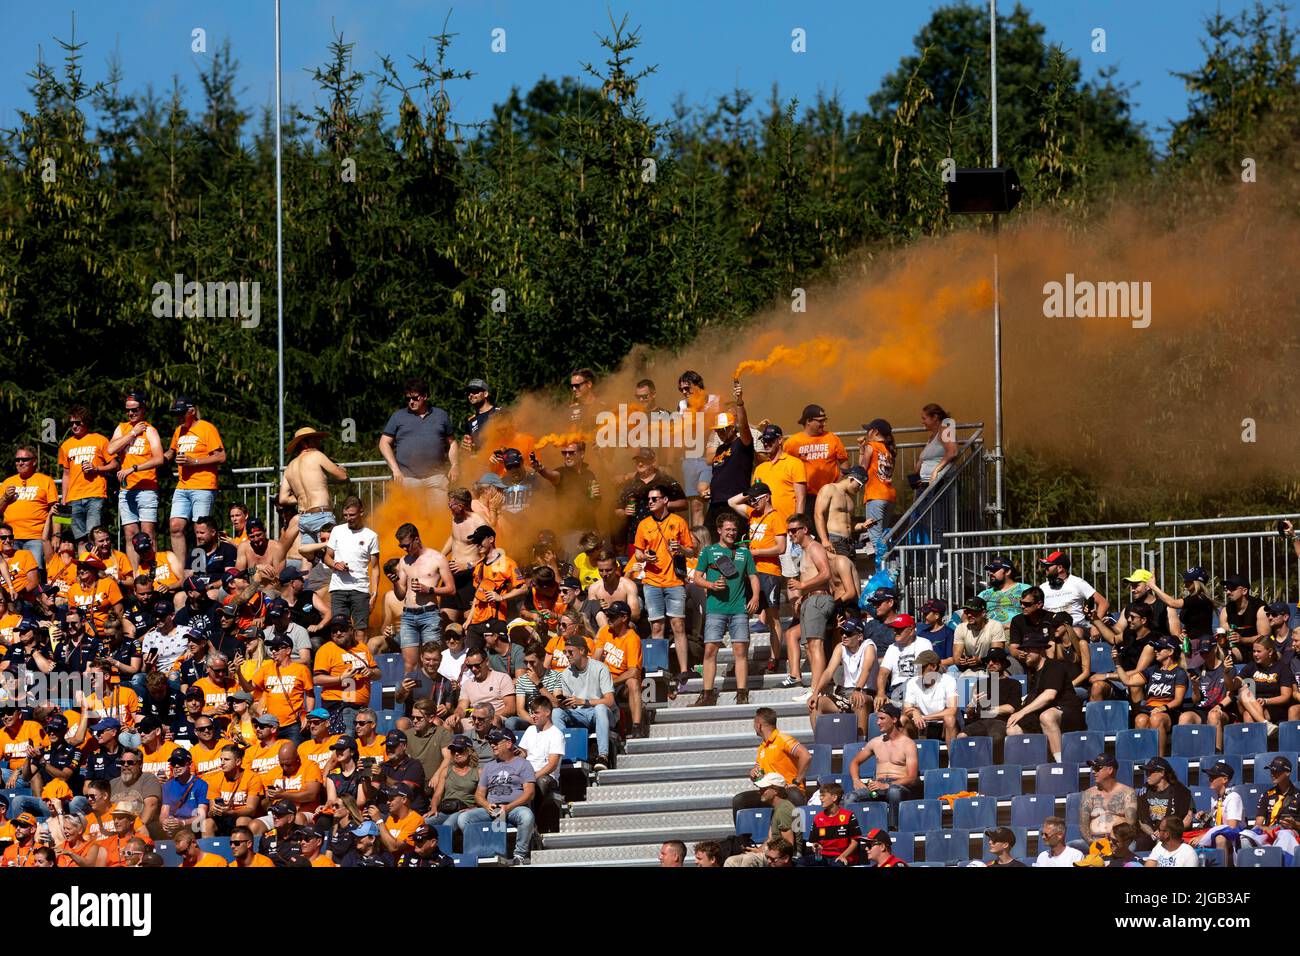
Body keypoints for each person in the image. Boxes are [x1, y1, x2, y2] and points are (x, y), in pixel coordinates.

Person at [633, 483, 696, 693]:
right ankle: (657, 671)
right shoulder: (643, 525)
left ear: (665, 501)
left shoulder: (678, 522)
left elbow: (690, 551)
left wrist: (681, 549)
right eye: (648, 500)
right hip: (652, 581)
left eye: (654, 499)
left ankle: (684, 671)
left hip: (675, 581)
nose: (650, 503)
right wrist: (645, 556)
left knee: (678, 625)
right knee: (656, 627)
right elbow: (639, 553)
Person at [691, 513, 758, 708]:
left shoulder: (744, 553)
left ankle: (742, 693)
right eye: (727, 529)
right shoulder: (708, 552)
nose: (731, 533)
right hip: (715, 608)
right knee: (710, 649)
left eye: (734, 530)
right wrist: (711, 585)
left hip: (739, 608)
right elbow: (697, 577)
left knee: (740, 650)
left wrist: (754, 597)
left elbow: (753, 576)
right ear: (719, 530)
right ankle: (707, 694)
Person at [726, 482, 791, 685]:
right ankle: (741, 657)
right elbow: (731, 501)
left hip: (769, 572)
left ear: (766, 497)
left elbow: (781, 548)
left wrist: (756, 552)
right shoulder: (753, 513)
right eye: (751, 499)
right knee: (742, 612)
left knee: (772, 616)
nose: (752, 502)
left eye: (755, 498)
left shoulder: (777, 517)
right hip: (751, 571)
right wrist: (748, 493)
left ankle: (774, 658)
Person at [459, 728, 536, 866]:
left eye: (495, 741)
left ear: (508, 744)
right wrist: (486, 805)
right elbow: (479, 794)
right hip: (493, 808)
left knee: (527, 816)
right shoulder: (489, 766)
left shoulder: (524, 764)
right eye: (490, 742)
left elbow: (529, 793)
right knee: (464, 818)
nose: (492, 745)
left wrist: (508, 807)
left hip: (514, 808)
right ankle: (484, 850)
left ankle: (520, 855)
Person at [163, 397, 226, 564]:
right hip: (183, 485)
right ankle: (180, 570)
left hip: (203, 486)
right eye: (176, 414)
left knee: (201, 530)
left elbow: (221, 456)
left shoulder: (206, 428)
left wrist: (194, 461)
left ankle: (201, 569)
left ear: (191, 411)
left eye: (181, 413)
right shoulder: (179, 431)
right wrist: (160, 459)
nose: (178, 417)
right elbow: (171, 451)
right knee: (175, 526)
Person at [106, 392, 166, 566]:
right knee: (130, 534)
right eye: (128, 411)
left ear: (143, 409)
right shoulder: (122, 428)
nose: (131, 414)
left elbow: (159, 459)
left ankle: (151, 573)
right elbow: (110, 449)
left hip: (147, 488)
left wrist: (134, 468)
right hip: (127, 490)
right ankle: (135, 575)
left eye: (135, 410)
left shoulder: (150, 431)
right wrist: (132, 433)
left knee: (147, 535)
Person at [1005, 634, 1086, 762]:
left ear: (1040, 650)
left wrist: (1020, 712)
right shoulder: (1032, 673)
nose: (1025, 653)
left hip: (1067, 711)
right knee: (1012, 728)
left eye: (1028, 650)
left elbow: (1049, 695)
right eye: (1024, 650)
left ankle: (1060, 764)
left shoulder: (1054, 666)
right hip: (1043, 712)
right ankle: (1033, 763)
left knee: (1046, 716)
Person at [391, 522, 454, 671]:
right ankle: (411, 694)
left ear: (417, 539)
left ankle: (433, 693)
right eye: (402, 547)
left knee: (432, 662)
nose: (405, 549)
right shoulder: (404, 561)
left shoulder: (437, 558)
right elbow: (400, 595)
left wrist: (429, 590)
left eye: (407, 545)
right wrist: (394, 583)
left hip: (429, 615)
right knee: (409, 665)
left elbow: (451, 589)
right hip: (408, 615)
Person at [847, 702, 920, 829]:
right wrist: (856, 780)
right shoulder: (875, 742)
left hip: (899, 786)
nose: (878, 722)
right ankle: (856, 835)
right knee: (850, 797)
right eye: (877, 719)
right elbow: (854, 762)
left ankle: (894, 829)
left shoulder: (908, 744)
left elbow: (912, 777)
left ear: (894, 719)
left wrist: (887, 785)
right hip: (877, 787)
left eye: (882, 718)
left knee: (893, 792)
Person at [380, 378, 454, 503]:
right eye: (408, 399)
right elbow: (383, 443)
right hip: (408, 479)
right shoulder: (398, 416)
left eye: (415, 398)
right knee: (411, 520)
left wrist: (455, 465)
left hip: (436, 478)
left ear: (425, 396)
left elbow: (452, 443)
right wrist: (395, 469)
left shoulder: (441, 415)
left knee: (440, 518)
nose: (411, 402)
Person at [785, 513, 834, 700]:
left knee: (815, 645)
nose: (790, 535)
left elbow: (826, 574)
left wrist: (803, 587)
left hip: (818, 599)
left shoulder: (814, 547)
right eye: (788, 531)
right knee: (810, 647)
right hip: (810, 599)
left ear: (805, 529)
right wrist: (802, 596)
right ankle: (817, 688)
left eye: (794, 530)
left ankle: (816, 689)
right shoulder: (805, 550)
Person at [732, 707, 812, 821]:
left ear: (759, 725)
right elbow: (759, 774)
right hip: (768, 791)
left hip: (786, 790)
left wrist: (796, 781)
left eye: (754, 724)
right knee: (739, 800)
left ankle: (800, 837)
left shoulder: (782, 739)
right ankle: (744, 838)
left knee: (795, 795)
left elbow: (806, 755)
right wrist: (754, 775)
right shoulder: (762, 748)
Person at [552, 633, 617, 772]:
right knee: (556, 712)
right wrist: (565, 703)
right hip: (579, 713)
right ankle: (563, 754)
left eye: (570, 652)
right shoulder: (565, 674)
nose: (567, 655)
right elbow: (570, 702)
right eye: (565, 652)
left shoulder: (600, 668)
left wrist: (584, 701)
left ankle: (603, 756)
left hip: (600, 713)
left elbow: (610, 701)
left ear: (582, 651)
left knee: (600, 708)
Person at [324, 497, 379, 653]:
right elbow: (327, 556)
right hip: (338, 588)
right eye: (346, 515)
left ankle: (361, 661)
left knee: (360, 629)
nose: (348, 519)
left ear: (361, 513)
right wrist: (335, 564)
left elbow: (375, 567)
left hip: (360, 589)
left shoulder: (371, 536)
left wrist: (374, 593)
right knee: (339, 629)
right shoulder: (337, 530)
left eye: (352, 515)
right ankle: (341, 663)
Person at [1116, 636, 1188, 754]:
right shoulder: (1152, 670)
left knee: (1156, 718)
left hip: (1169, 711)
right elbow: (1127, 681)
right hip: (1150, 709)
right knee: (1140, 719)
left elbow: (1178, 700)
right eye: (1156, 648)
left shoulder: (1179, 673)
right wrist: (1117, 664)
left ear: (1170, 651)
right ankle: (1144, 757)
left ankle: (1160, 760)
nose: (1156, 651)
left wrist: (1162, 708)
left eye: (1159, 648)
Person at [279, 427, 346, 547]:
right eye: (315, 439)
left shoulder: (290, 466)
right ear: (305, 443)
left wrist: (300, 496)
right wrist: (341, 469)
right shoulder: (317, 455)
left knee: (309, 557)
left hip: (304, 516)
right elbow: (342, 476)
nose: (319, 442)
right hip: (321, 514)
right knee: (331, 553)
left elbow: (283, 498)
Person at [808, 617, 875, 736]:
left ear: (859, 637)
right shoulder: (840, 647)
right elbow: (829, 671)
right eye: (842, 632)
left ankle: (860, 744)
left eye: (848, 633)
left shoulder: (868, 646)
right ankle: (821, 744)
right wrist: (815, 692)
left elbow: (866, 669)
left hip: (865, 692)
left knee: (859, 700)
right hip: (845, 693)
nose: (844, 636)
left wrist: (858, 689)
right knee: (815, 704)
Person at [703, 381, 755, 534]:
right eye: (718, 431)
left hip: (734, 503)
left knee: (734, 541)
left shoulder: (742, 443)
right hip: (715, 504)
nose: (720, 433)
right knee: (709, 541)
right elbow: (718, 474)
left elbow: (744, 427)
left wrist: (739, 402)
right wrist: (709, 489)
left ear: (733, 428)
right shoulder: (719, 449)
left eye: (723, 430)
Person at [613, 449, 687, 556]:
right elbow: (617, 509)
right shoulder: (629, 485)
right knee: (637, 571)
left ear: (653, 462)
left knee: (660, 570)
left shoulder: (665, 481)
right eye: (637, 460)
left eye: (644, 460)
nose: (640, 463)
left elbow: (683, 503)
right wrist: (624, 512)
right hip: (636, 537)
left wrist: (665, 504)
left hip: (662, 536)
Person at [57, 407, 113, 548]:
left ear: (86, 422)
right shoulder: (66, 445)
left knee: (93, 536)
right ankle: (84, 568)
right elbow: (66, 474)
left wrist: (96, 469)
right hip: (73, 498)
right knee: (80, 539)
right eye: (71, 424)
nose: (74, 426)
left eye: (77, 423)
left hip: (95, 494)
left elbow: (115, 464)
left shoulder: (100, 440)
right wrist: (64, 498)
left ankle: (96, 567)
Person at [782, 404, 848, 521]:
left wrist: (837, 486)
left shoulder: (832, 438)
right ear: (808, 421)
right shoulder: (793, 442)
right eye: (820, 421)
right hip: (806, 497)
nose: (824, 424)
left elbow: (844, 464)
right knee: (809, 529)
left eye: (825, 420)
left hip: (829, 494)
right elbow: (785, 467)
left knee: (829, 529)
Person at [312, 618, 377, 737]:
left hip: (362, 708)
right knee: (346, 744)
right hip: (340, 706)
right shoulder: (326, 650)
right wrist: (340, 678)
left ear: (351, 630)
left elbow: (378, 673)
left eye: (342, 630)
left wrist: (371, 672)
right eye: (334, 631)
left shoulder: (362, 647)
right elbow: (316, 679)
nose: (337, 633)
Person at [956, 647, 1022, 761]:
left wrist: (990, 709)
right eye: (988, 661)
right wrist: (972, 702)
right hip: (980, 721)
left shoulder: (1013, 684)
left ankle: (993, 768)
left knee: (995, 738)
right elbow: (969, 712)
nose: (990, 664)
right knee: (961, 737)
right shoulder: (980, 683)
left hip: (1000, 721)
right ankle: (969, 768)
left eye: (995, 661)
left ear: (1003, 664)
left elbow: (1011, 708)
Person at [590, 601, 646, 735]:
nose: (608, 618)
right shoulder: (605, 631)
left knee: (633, 682)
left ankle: (637, 726)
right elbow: (595, 659)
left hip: (619, 682)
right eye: (608, 615)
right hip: (602, 679)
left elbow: (633, 671)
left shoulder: (633, 639)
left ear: (624, 618)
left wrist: (612, 682)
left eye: (613, 616)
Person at [0, 444, 59, 571]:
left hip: (36, 537)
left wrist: (57, 535)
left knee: (35, 571)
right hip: (10, 538)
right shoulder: (7, 482)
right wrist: (5, 497)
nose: (20, 463)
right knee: (11, 573)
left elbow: (58, 510)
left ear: (34, 461)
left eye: (24, 459)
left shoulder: (46, 480)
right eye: (17, 460)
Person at [723, 773, 797, 867]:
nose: (759, 791)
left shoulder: (784, 811)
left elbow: (788, 845)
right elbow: (771, 838)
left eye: (764, 789)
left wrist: (766, 853)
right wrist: (759, 850)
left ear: (775, 790)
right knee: (731, 861)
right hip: (770, 852)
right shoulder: (777, 809)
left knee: (749, 859)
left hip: (777, 857)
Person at [466, 525, 527, 628]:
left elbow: (523, 588)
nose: (478, 545)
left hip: (495, 620)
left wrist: (501, 597)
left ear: (491, 539)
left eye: (480, 540)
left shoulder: (507, 563)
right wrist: (469, 620)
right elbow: (478, 596)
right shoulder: (478, 566)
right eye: (476, 542)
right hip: (476, 621)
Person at [1038, 550, 1108, 637]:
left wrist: (1096, 626)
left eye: (1048, 566)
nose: (1045, 569)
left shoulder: (1077, 583)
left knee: (1077, 631)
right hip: (1051, 629)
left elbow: (1103, 603)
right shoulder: (1042, 588)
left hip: (1076, 628)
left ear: (1060, 568)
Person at [856, 419, 897, 566]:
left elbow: (862, 470)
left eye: (868, 430)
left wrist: (862, 450)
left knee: (875, 539)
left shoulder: (871, 446)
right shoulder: (889, 450)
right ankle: (891, 569)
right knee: (883, 536)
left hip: (875, 496)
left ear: (875, 432)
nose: (867, 433)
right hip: (888, 496)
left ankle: (883, 572)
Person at [1134, 756, 1193, 851]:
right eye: (1146, 772)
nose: (1147, 775)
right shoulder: (1144, 791)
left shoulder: (1181, 792)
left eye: (1151, 772)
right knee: (1139, 843)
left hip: (1173, 834)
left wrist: (1167, 831)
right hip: (1151, 834)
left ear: (1162, 773)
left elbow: (1187, 819)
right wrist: (1153, 834)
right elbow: (1142, 820)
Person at [204, 744, 265, 837]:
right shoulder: (215, 779)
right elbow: (211, 812)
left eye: (227, 760)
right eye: (221, 759)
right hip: (223, 819)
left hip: (244, 817)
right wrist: (214, 811)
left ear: (238, 762)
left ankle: (240, 849)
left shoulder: (252, 778)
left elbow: (252, 810)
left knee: (242, 820)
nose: (222, 763)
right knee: (207, 823)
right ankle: (209, 851)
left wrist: (232, 813)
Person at [902, 649, 959, 744]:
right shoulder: (912, 682)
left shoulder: (948, 680)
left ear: (933, 666)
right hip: (921, 726)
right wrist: (914, 711)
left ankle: (952, 758)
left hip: (942, 725)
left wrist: (924, 717)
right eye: (917, 666)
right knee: (903, 719)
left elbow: (952, 710)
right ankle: (906, 756)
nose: (918, 670)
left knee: (949, 719)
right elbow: (906, 709)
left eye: (922, 667)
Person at [518, 695, 565, 809]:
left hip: (546, 777)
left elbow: (552, 765)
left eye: (536, 713)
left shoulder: (556, 734)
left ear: (547, 712)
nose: (533, 716)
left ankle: (535, 820)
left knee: (540, 782)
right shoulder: (530, 730)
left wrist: (532, 777)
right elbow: (523, 753)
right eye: (532, 713)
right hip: (528, 773)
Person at [1238, 638, 1293, 733]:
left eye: (1258, 651)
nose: (1255, 654)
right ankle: (1265, 724)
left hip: (1274, 707)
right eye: (1254, 651)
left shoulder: (1282, 668)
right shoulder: (1251, 666)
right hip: (1252, 704)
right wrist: (1226, 673)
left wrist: (1266, 701)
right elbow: (1235, 684)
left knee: (1248, 715)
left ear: (1270, 651)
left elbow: (1286, 696)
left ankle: (1255, 746)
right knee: (1243, 690)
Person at [875, 614, 931, 708]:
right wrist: (880, 693)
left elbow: (923, 673)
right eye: (894, 629)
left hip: (917, 687)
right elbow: (883, 673)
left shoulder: (924, 644)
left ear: (911, 631)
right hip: (895, 690)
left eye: (899, 629)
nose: (895, 632)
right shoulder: (892, 648)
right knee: (878, 711)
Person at [1079, 754, 1137, 842]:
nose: (1093, 772)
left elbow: (1131, 823)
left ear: (1110, 770)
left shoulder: (1128, 792)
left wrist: (1118, 841)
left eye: (1097, 768)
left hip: (1119, 840)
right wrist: (1090, 841)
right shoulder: (1089, 793)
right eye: (1093, 768)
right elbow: (1083, 822)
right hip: (1094, 839)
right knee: (1073, 846)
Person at [814, 467, 869, 558]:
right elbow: (818, 514)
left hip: (849, 543)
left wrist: (863, 525)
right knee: (837, 572)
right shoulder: (829, 489)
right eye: (860, 485)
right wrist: (824, 540)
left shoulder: (850, 499)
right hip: (833, 541)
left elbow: (846, 524)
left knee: (851, 572)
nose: (860, 489)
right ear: (851, 479)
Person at [802, 781, 860, 866]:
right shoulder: (818, 818)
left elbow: (855, 841)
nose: (821, 798)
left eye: (823, 795)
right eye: (820, 796)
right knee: (799, 862)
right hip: (823, 856)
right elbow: (815, 842)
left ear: (834, 797)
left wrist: (843, 856)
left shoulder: (848, 816)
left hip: (841, 856)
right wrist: (815, 846)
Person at [1195, 760, 1246, 857]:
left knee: (1220, 839)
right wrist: (1205, 816)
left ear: (1225, 779)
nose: (1209, 779)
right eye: (1209, 777)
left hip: (1234, 838)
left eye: (1213, 777)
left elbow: (1232, 827)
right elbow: (1217, 820)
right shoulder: (1214, 797)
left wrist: (1205, 836)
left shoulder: (1233, 797)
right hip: (1217, 833)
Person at [454, 649, 517, 727]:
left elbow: (511, 708)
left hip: (496, 717)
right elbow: (461, 707)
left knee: (494, 721)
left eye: (477, 665)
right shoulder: (467, 684)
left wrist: (485, 718)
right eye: (470, 666)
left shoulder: (502, 678)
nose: (473, 669)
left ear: (486, 662)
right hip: (474, 720)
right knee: (451, 724)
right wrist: (456, 715)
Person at [159, 748, 208, 836]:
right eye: (173, 763)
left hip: (191, 825)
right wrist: (164, 821)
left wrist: (183, 823)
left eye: (180, 763)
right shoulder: (168, 785)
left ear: (189, 764)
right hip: (173, 824)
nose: (176, 766)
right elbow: (164, 812)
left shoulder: (201, 784)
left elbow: (202, 815)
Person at [1218, 574, 1267, 662]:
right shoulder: (1226, 610)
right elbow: (1226, 636)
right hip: (1237, 649)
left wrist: (1242, 639)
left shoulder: (1259, 608)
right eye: (1227, 589)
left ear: (1244, 591)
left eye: (1232, 588)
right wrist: (1221, 638)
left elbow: (1264, 638)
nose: (1228, 592)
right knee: (1217, 653)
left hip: (1258, 648)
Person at [953, 597, 1007, 672]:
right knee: (952, 669)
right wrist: (962, 661)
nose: (969, 615)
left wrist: (980, 660)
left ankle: (993, 683)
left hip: (989, 666)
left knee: (995, 672)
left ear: (983, 613)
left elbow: (996, 656)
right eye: (967, 611)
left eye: (973, 611)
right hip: (969, 667)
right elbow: (956, 658)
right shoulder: (960, 628)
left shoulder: (995, 626)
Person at [977, 557, 1029, 631]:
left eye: (994, 570)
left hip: (1015, 631)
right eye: (990, 570)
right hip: (988, 632)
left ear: (1007, 572)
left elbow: (1035, 612)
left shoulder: (1025, 589)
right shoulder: (984, 594)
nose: (990, 573)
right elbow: (967, 613)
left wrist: (1015, 623)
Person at [1254, 755, 1300, 828]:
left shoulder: (1298, 796)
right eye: (1271, 771)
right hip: (1269, 832)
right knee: (1246, 836)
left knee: (1283, 835)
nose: (1272, 774)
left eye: (1276, 771)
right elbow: (1258, 824)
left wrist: (1295, 824)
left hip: (1290, 833)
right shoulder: (1267, 795)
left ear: (1287, 773)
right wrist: (1266, 830)